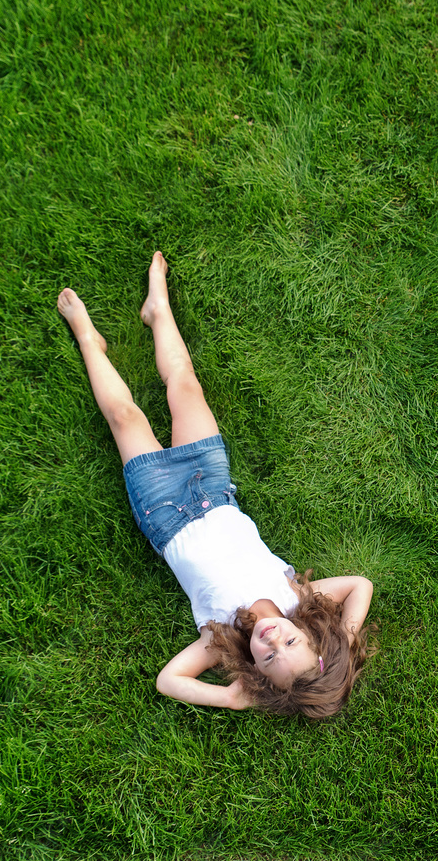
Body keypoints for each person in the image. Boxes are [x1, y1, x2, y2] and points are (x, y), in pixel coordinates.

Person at [57, 252, 374, 718]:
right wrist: (344, 638)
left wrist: (226, 697)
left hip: (163, 512)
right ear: (308, 633)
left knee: (125, 417)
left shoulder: (220, 636)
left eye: (270, 657)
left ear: (255, 672)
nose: (273, 640)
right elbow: (360, 584)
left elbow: (169, 680)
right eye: (291, 641)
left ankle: (89, 339)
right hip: (213, 485)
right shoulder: (296, 598)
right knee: (185, 386)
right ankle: (157, 310)